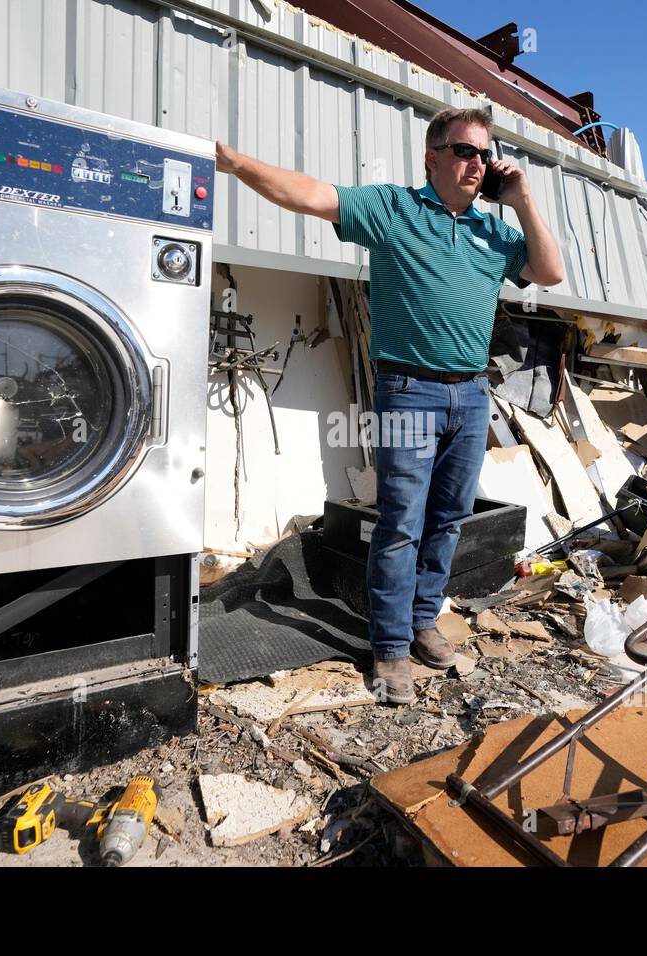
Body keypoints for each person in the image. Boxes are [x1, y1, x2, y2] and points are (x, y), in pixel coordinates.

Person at [215, 107, 564, 704]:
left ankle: (424, 620)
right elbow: (310, 196)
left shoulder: (494, 232)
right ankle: (390, 647)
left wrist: (524, 196)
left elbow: (551, 272)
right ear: (431, 157)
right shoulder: (393, 209)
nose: (476, 162)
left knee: (449, 517)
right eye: (462, 150)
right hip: (409, 389)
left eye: (484, 153)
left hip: (472, 393)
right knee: (401, 523)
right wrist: (236, 162)